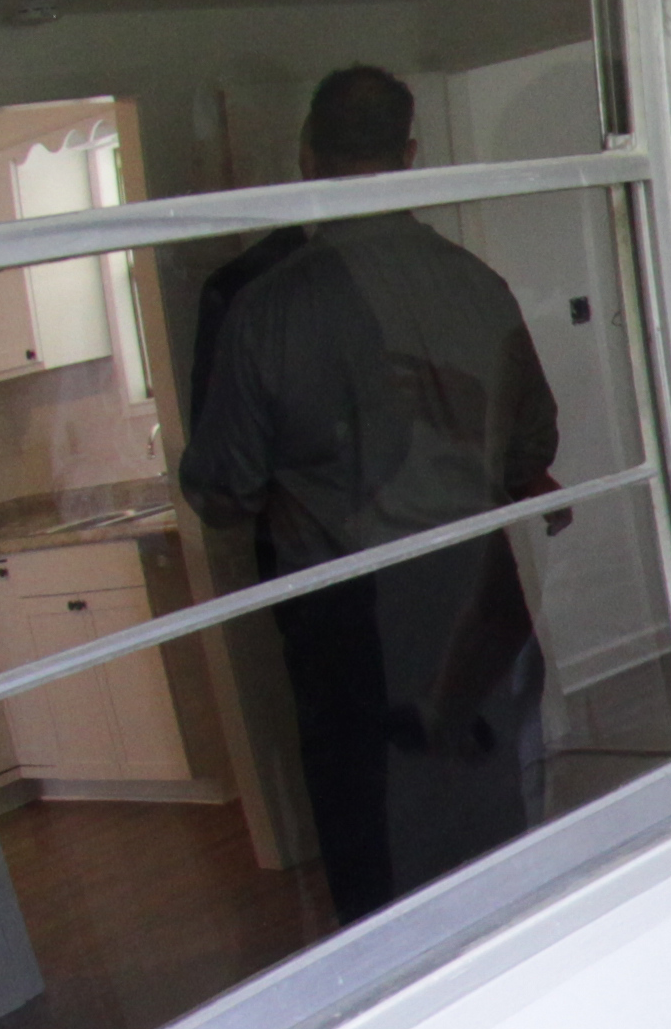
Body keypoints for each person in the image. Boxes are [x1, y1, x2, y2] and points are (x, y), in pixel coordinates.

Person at [180, 63, 559, 917]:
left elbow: (220, 490)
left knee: (375, 831)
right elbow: (533, 442)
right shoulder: (478, 285)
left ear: (307, 158)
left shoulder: (267, 310)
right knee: (484, 803)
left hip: (351, 609)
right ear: (412, 154)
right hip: (476, 584)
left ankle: (411, 1013)